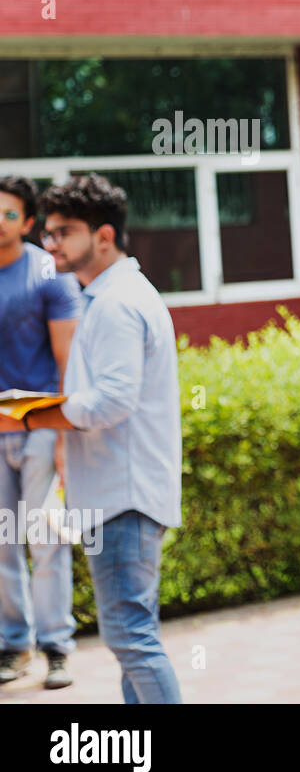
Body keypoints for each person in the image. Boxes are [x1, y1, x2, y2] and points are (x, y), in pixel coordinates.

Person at [0, 174, 183, 703]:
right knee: (132, 642)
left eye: (64, 232)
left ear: (104, 236)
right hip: (120, 494)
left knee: (132, 640)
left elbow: (112, 401)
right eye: (49, 233)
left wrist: (29, 415)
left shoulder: (118, 302)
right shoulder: (109, 294)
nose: (50, 243)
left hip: (123, 498)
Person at [0, 176, 81, 690]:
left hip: (38, 425)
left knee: (44, 538)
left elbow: (67, 358)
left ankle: (56, 647)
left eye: (8, 213)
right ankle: (13, 646)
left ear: (27, 222)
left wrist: (61, 436)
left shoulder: (48, 272)